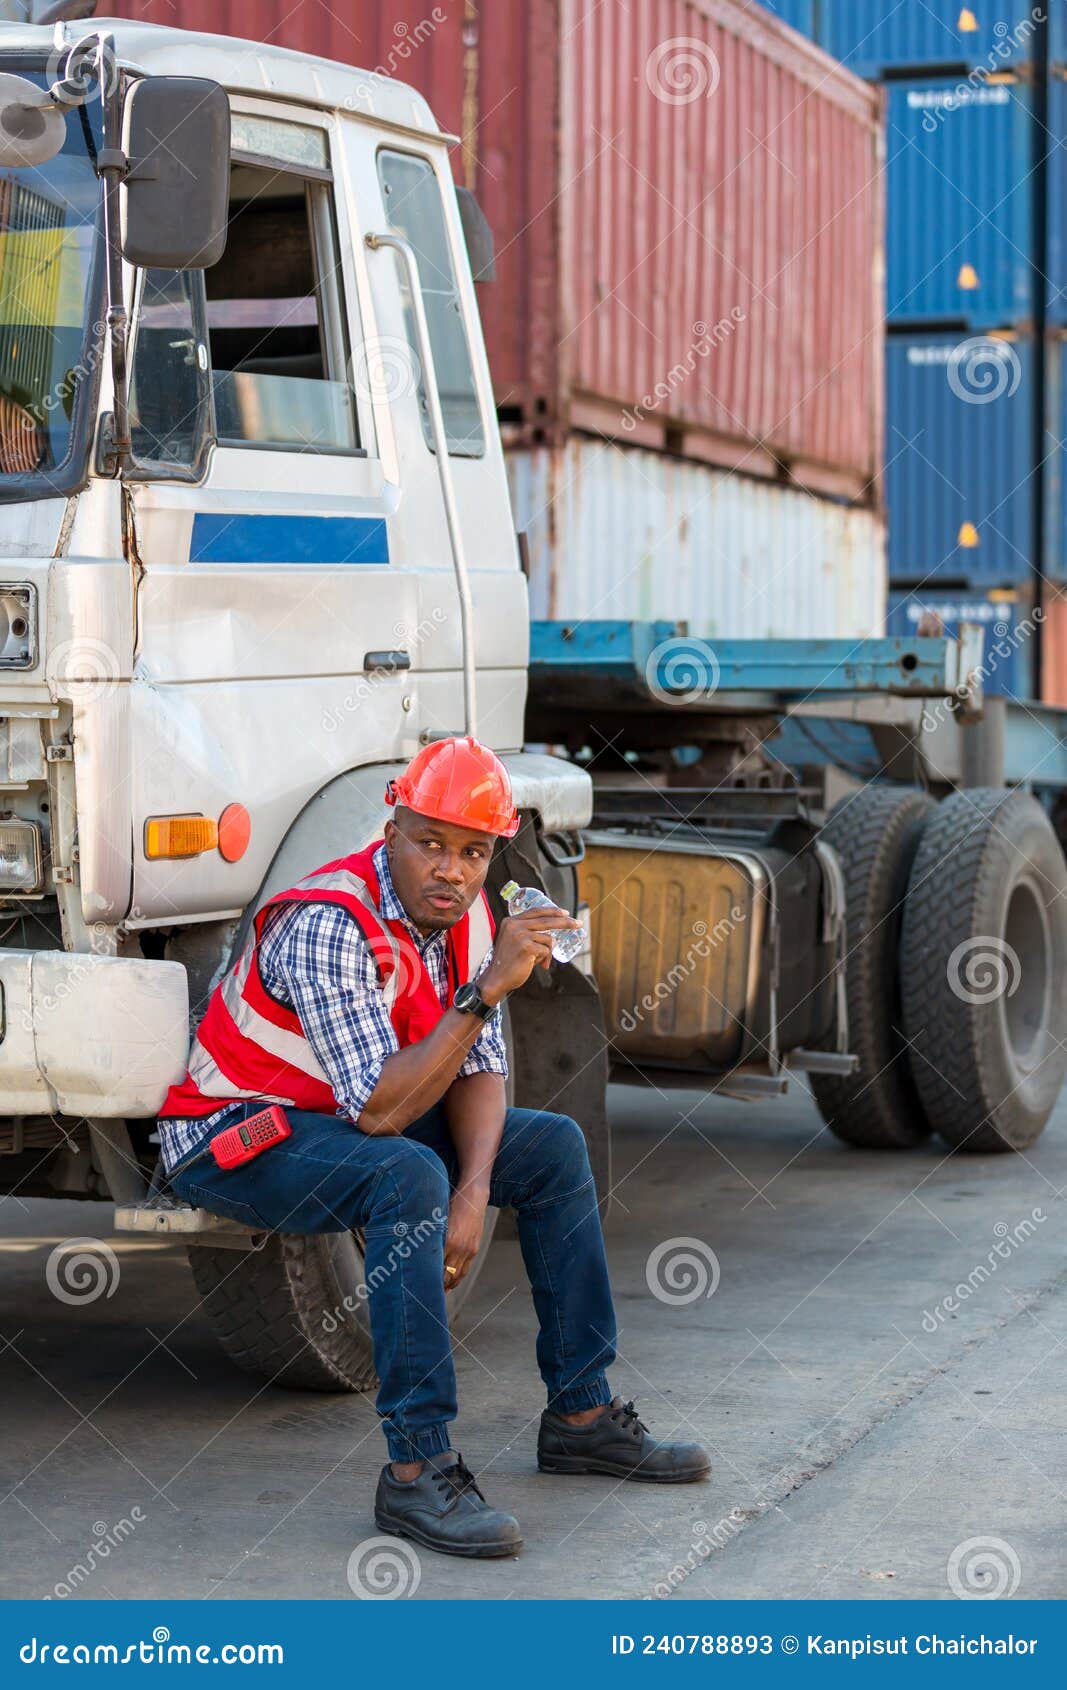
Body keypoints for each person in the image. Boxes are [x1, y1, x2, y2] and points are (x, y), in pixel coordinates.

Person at [157, 735, 710, 1558]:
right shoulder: (327, 919)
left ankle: (582, 1414)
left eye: (473, 852)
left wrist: (476, 1191)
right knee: (407, 1172)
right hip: (235, 1133)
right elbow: (381, 1115)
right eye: (431, 844)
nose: (450, 870)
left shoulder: (469, 915)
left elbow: (478, 1072)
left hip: (335, 1116)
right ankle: (417, 1472)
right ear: (391, 832)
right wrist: (487, 992)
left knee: (551, 1149)